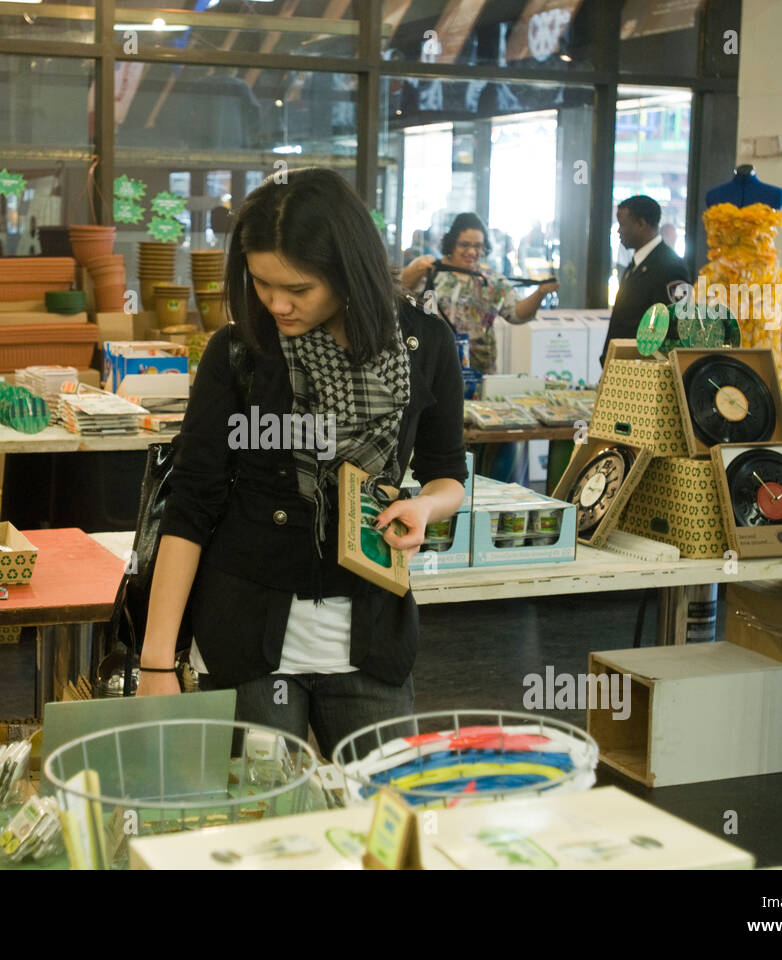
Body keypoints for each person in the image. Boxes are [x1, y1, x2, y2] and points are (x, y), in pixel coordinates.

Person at [136, 167, 468, 758]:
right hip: (248, 638)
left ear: (349, 271)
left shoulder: (426, 344)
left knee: (382, 825)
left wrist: (423, 506)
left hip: (371, 635)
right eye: (262, 284)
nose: (276, 303)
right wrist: (156, 662)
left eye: (298, 288)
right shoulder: (241, 353)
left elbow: (448, 474)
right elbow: (191, 505)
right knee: (262, 833)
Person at [401, 213, 557, 374]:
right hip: (433, 367)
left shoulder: (491, 280)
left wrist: (540, 293)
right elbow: (399, 292)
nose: (471, 251)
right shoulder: (430, 272)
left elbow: (516, 314)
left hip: (478, 373)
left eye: (478, 246)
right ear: (452, 242)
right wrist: (416, 268)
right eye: (464, 244)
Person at [601, 195, 691, 369]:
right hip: (623, 366)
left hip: (644, 372)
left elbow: (674, 326)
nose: (618, 231)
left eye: (623, 225)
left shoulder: (670, 266)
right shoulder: (638, 262)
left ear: (641, 224)